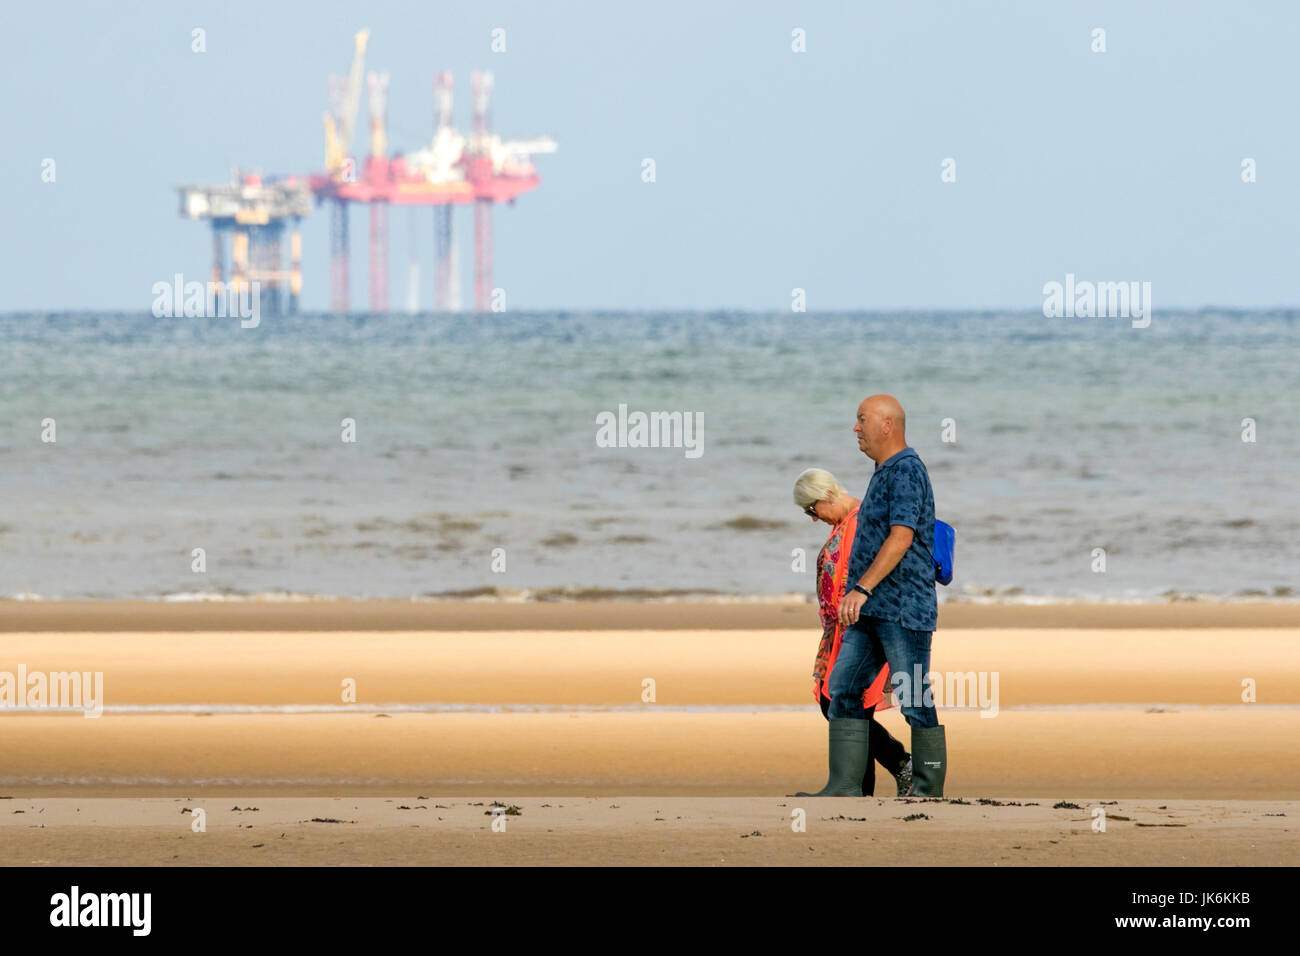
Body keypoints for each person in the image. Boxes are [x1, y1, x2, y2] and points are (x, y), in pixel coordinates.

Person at [797, 394, 947, 798]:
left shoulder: (906, 470)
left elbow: (902, 538)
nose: (855, 428)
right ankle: (844, 785)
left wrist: (860, 588)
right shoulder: (883, 470)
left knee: (914, 696)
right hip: (870, 611)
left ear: (887, 425)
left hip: (902, 608)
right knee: (842, 690)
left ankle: (927, 788)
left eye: (861, 419)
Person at [792, 468, 912, 797]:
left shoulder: (862, 522)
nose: (813, 518)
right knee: (845, 707)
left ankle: (900, 765)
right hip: (842, 634)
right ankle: (861, 790)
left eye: (811, 510)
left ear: (825, 496)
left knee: (842, 706)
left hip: (860, 631)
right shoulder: (845, 523)